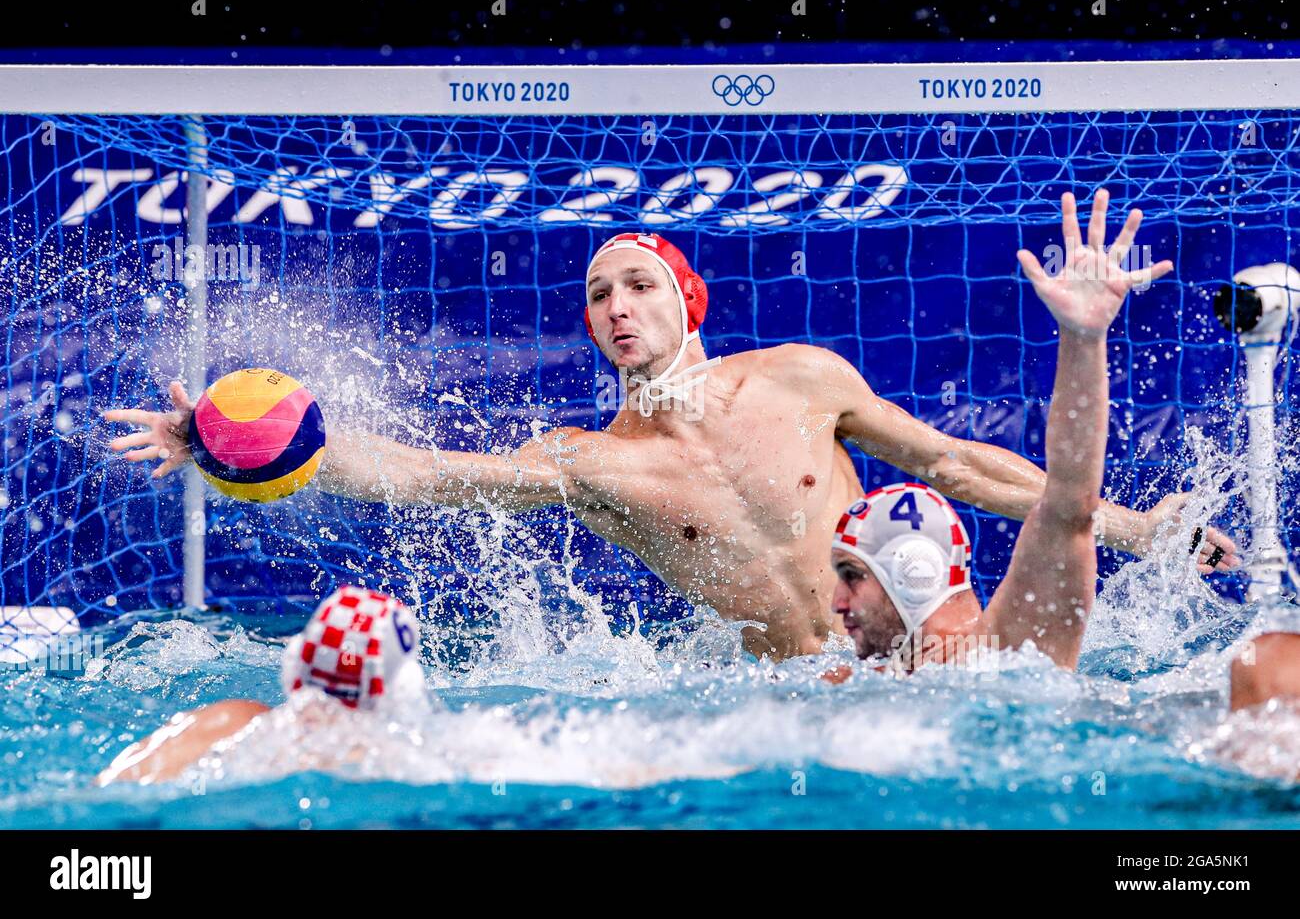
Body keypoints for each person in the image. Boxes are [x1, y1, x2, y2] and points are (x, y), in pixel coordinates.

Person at [106, 190, 1238, 660]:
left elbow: (949, 461)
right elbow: (419, 473)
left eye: (636, 282)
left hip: (922, 669)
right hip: (799, 700)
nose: (614, 305)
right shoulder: (588, 462)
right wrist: (254, 449)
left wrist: (1135, 526)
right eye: (598, 295)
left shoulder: (797, 376)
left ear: (683, 298)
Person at [830, 193, 1238, 672]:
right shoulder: (844, 685)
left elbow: (1070, 503)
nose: (835, 602)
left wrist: (1083, 339)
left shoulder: (1004, 653)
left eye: (851, 576)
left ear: (911, 571)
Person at [96, 586, 426, 786]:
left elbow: (106, 790)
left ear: (294, 666)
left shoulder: (230, 721)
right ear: (403, 688)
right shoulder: (405, 763)